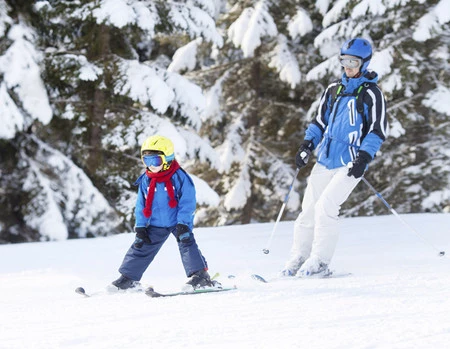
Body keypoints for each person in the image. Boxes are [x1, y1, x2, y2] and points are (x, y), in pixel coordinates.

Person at [281, 38, 387, 277]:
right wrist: (307, 145)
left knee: (326, 207)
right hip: (325, 159)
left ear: (365, 63)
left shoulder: (372, 94)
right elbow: (320, 122)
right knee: (307, 211)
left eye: (353, 61)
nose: (348, 66)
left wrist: (363, 158)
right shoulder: (333, 90)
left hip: (351, 163)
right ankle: (299, 257)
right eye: (344, 61)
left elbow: (377, 130)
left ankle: (320, 261)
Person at [112, 135, 219, 291]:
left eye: (155, 161)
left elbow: (187, 201)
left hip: (177, 222)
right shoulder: (146, 180)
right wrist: (141, 226)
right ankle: (128, 279)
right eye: (146, 161)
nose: (151, 166)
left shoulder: (179, 177)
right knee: (141, 246)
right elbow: (141, 203)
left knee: (187, 244)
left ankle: (201, 276)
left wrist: (183, 223)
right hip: (155, 223)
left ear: (167, 158)